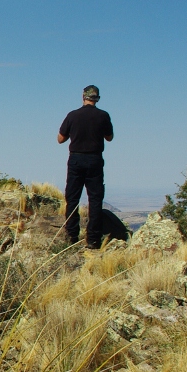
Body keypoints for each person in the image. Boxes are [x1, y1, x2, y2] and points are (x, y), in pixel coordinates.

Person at [57, 84, 114, 249]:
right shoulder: (103, 116)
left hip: (76, 159)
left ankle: (71, 237)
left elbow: (60, 139)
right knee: (95, 199)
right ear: (97, 98)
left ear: (83, 97)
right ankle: (94, 240)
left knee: (72, 198)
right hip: (95, 160)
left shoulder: (73, 115)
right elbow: (109, 137)